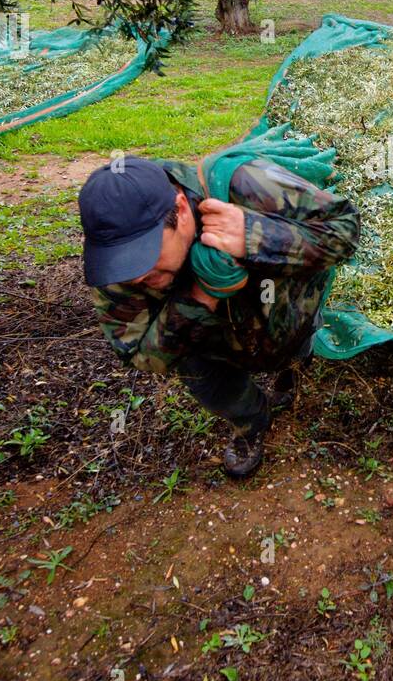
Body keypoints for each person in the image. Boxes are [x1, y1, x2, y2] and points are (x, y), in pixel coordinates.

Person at [78, 153, 360, 477]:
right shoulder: (115, 265)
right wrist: (200, 296)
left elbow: (346, 230)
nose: (137, 277)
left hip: (287, 315)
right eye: (124, 265)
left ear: (181, 209)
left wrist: (256, 235)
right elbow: (142, 356)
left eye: (145, 257)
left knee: (297, 351)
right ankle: (252, 422)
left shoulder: (246, 184)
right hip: (209, 349)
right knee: (220, 392)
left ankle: (292, 373)